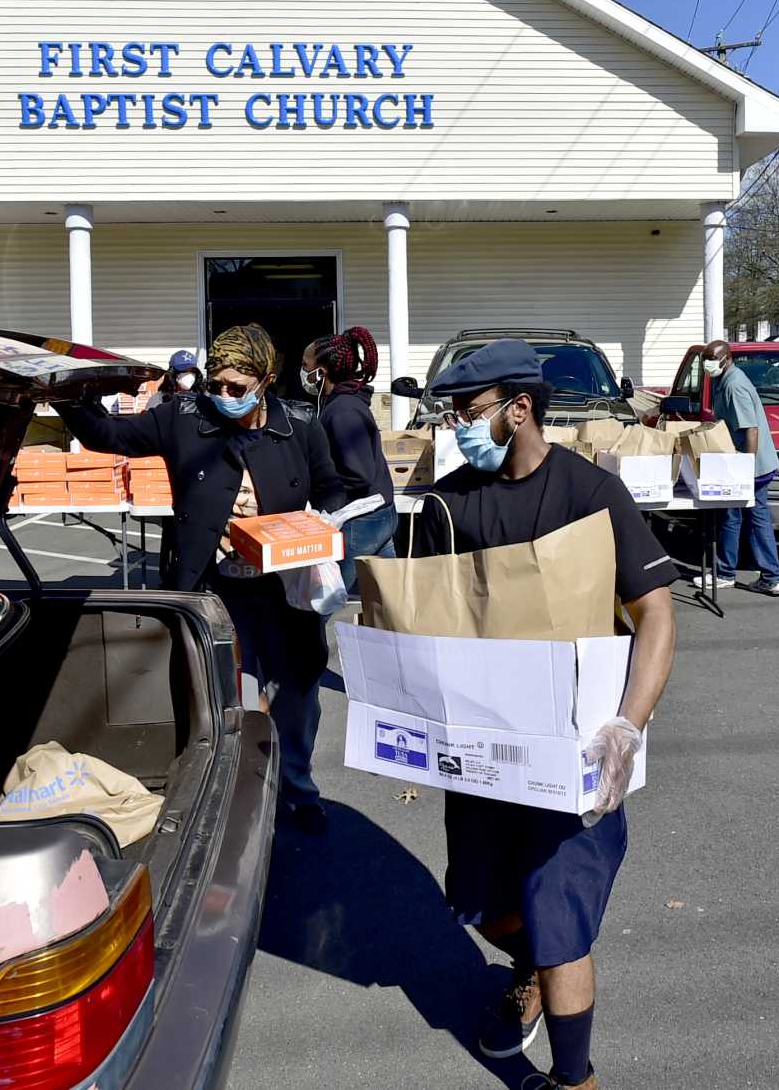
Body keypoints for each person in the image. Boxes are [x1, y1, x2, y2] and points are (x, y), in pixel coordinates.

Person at [413, 338, 677, 1090]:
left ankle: (574, 1077)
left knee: (560, 927)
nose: (456, 427)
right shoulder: (451, 501)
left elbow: (654, 613)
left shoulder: (591, 496)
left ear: (518, 409)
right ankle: (523, 968)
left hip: (573, 759)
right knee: (487, 907)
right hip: (485, 758)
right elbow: (422, 618)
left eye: (467, 413)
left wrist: (628, 725)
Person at [60, 323, 345, 834]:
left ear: (267, 380)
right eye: (216, 385)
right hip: (208, 589)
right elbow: (106, 435)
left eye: (237, 388)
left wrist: (313, 528)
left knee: (297, 693)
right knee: (213, 696)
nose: (223, 397)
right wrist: (65, 394)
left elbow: (332, 490)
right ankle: (220, 792)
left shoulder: (300, 426)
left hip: (281, 589)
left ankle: (297, 789)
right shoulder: (184, 419)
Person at [300, 326, 397, 593]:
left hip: (362, 519)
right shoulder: (345, 404)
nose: (303, 371)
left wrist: (319, 486)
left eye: (305, 365)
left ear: (322, 371)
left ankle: (315, 636)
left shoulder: (343, 411)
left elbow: (358, 473)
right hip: (377, 513)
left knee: (325, 599)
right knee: (387, 596)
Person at [704, 341, 779, 597]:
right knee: (749, 518)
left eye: (712, 359)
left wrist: (745, 468)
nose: (707, 364)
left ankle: (728, 573)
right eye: (705, 359)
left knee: (735, 517)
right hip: (750, 463)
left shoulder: (735, 385)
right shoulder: (724, 378)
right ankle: (770, 576)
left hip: (751, 465)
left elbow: (751, 428)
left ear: (726, 359)